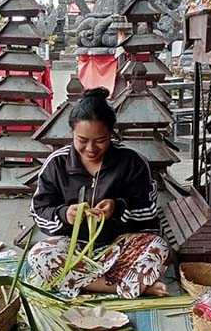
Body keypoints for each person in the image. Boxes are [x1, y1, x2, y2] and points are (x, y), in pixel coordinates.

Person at [29, 88, 169, 299]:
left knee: (159, 247)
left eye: (100, 140)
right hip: (73, 248)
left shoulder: (132, 161)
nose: (91, 148)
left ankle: (82, 283)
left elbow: (149, 211)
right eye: (82, 140)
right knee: (39, 256)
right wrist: (65, 214)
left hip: (119, 246)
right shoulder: (57, 163)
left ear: (111, 134)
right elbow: (39, 210)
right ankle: (123, 287)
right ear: (72, 133)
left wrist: (118, 208)